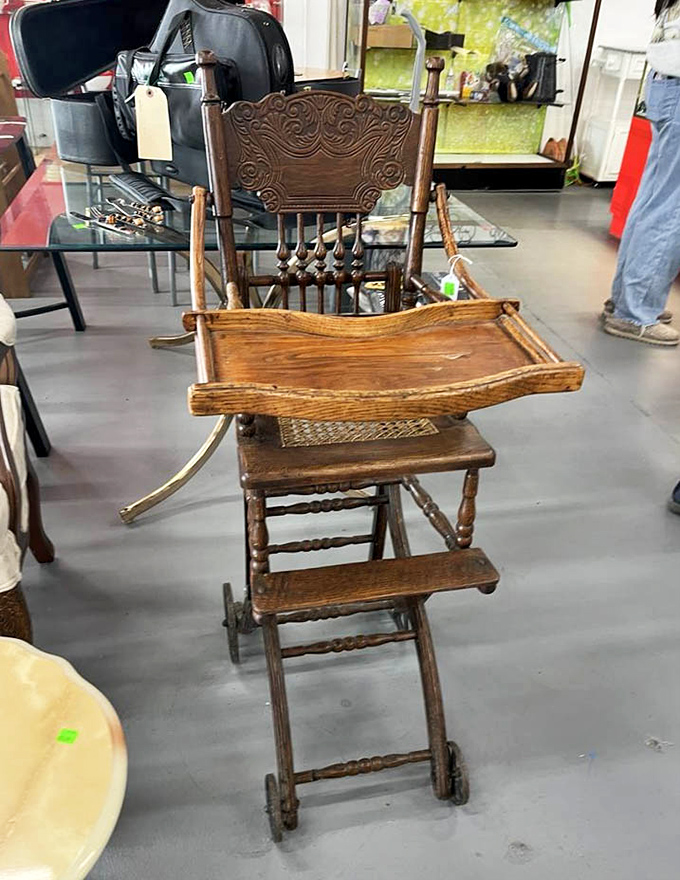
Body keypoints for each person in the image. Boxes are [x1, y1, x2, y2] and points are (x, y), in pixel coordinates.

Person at [602, 0, 680, 346]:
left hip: (667, 82)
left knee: (653, 201)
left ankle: (627, 300)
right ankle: (635, 314)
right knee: (670, 209)